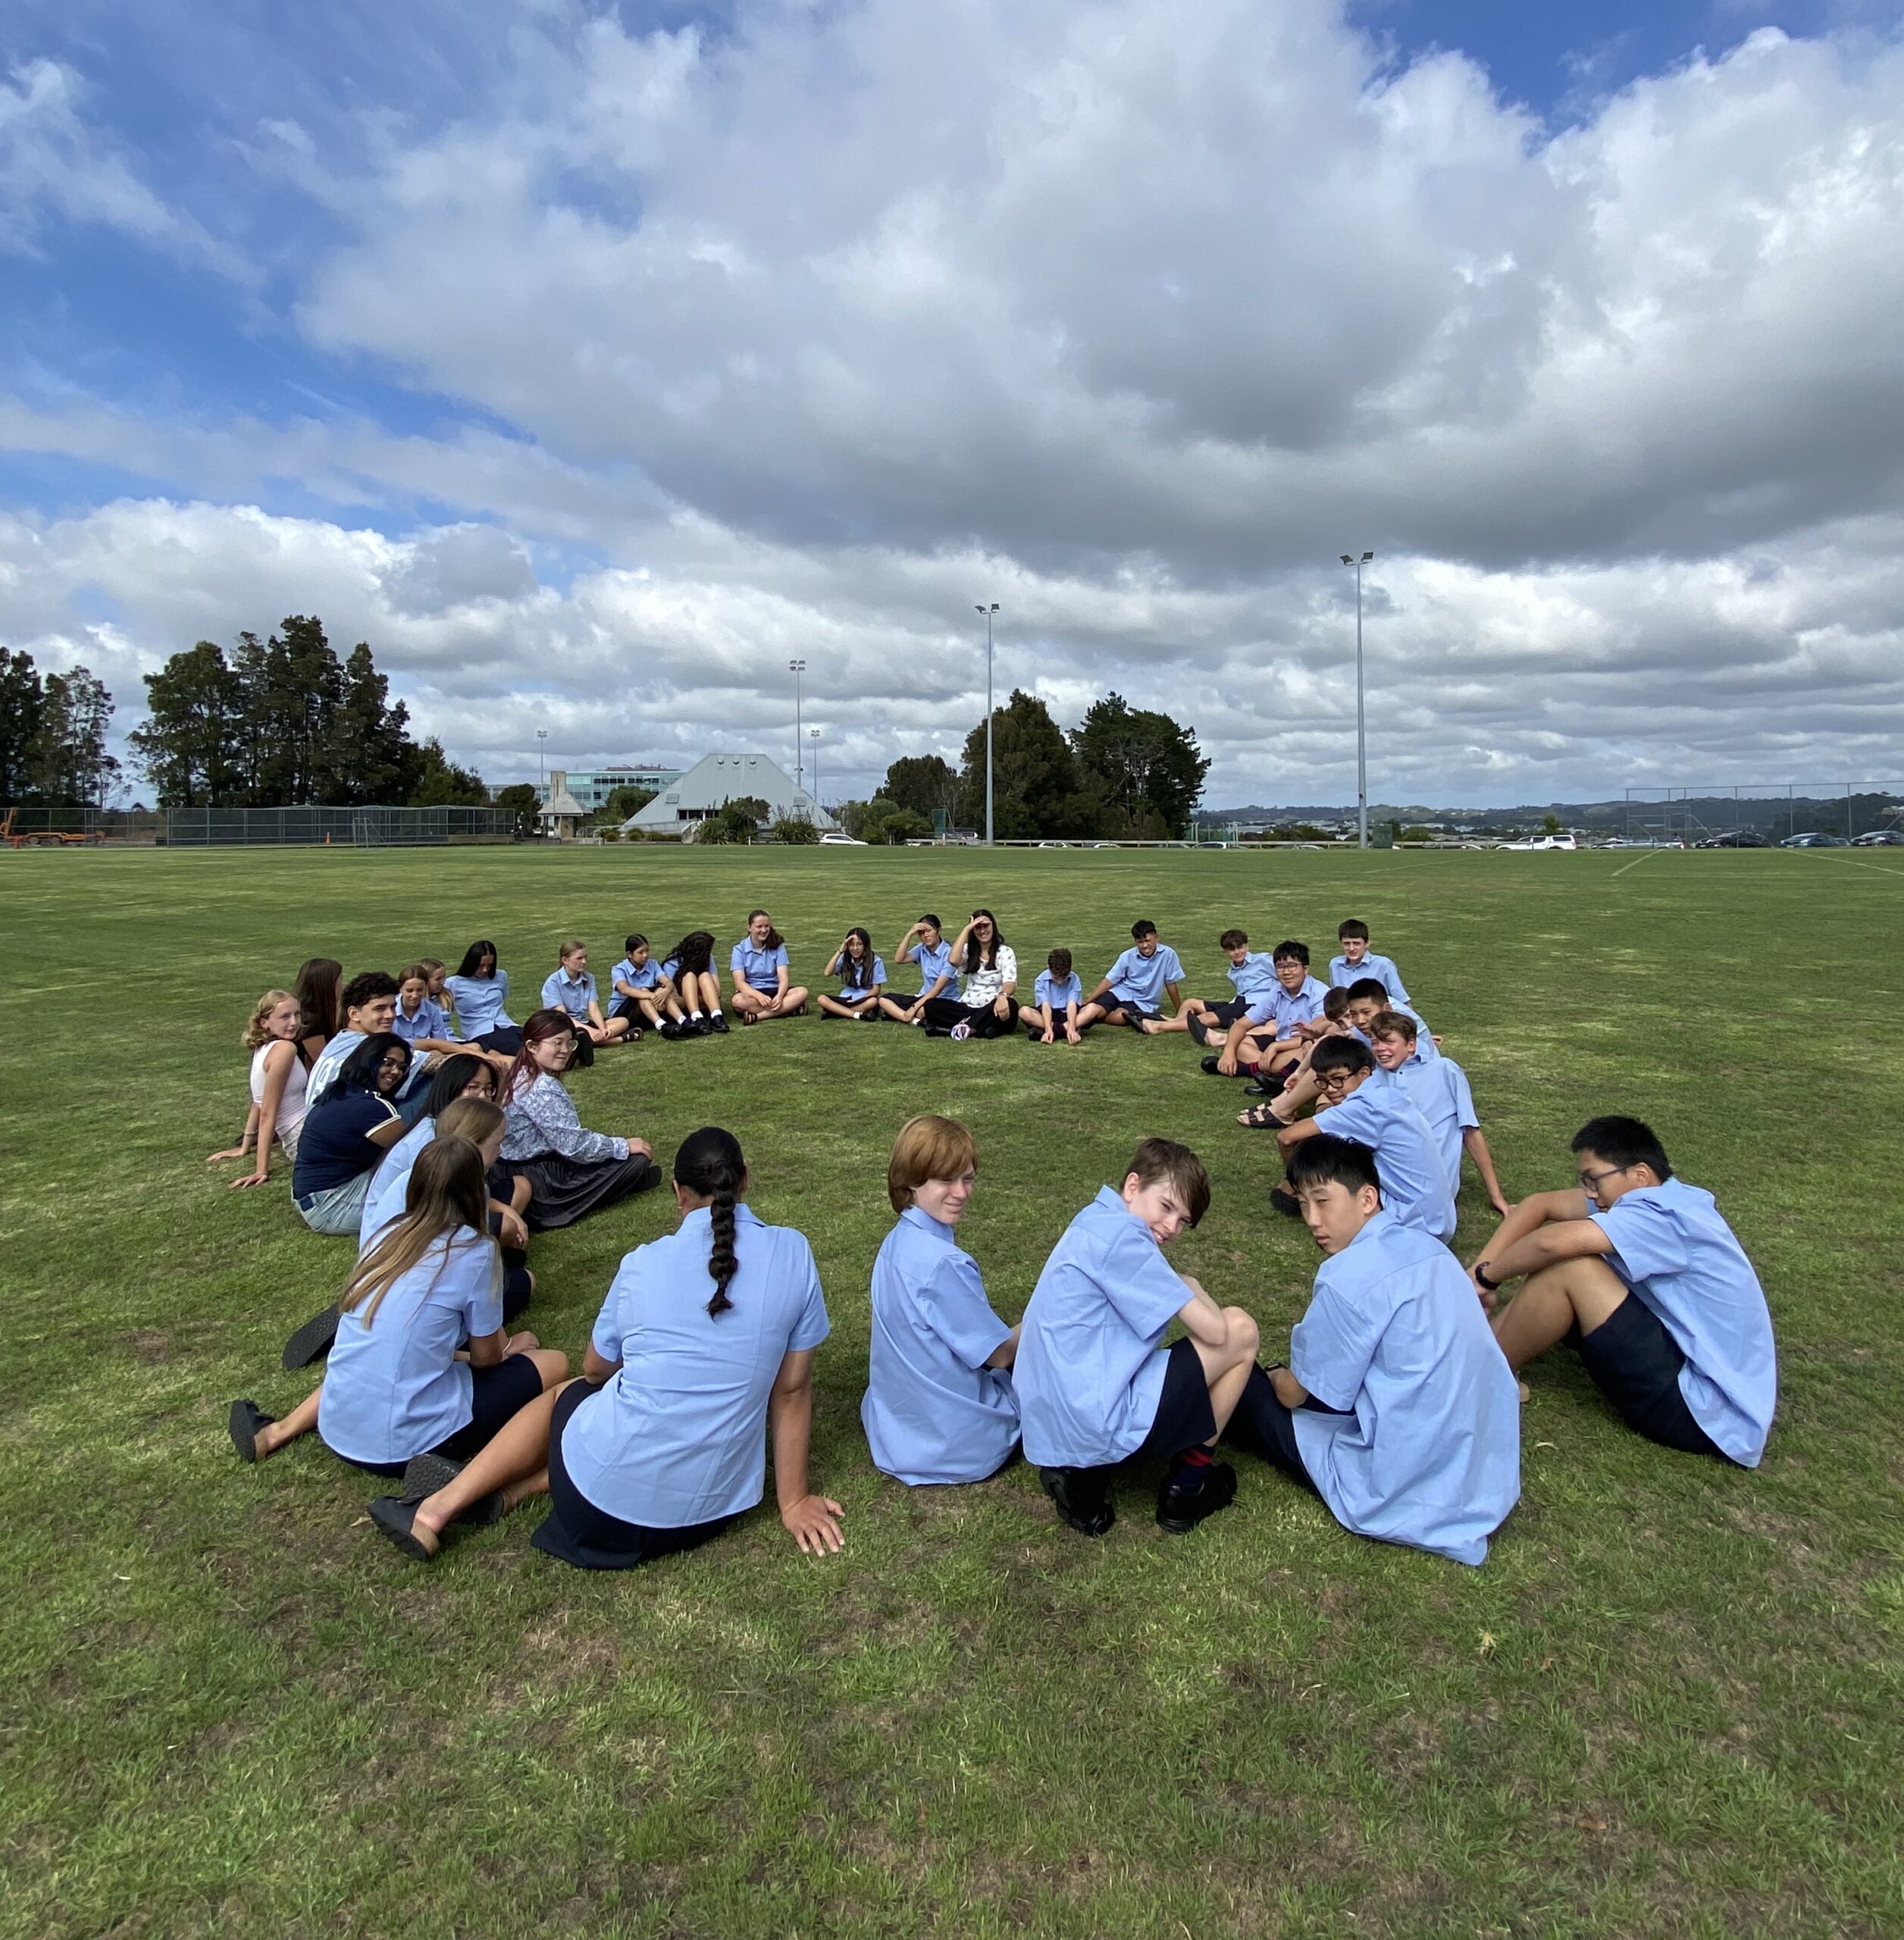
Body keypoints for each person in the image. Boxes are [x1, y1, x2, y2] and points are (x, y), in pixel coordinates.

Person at [365, 1128, 846, 1569]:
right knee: (609, 1415)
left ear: (677, 1195)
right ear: (746, 1180)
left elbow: (596, 1371)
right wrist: (793, 1501)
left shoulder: (641, 1264)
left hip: (597, 1506)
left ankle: (436, 1510)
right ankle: (511, 1494)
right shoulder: (794, 1251)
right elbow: (791, 1389)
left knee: (567, 1393)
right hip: (710, 1512)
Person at [1226, 1135, 1520, 1566]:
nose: (1311, 1218)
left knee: (1242, 1379)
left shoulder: (1347, 1277)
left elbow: (1296, 1394)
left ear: (1368, 1199)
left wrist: (1270, 1372)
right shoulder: (1432, 1250)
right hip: (1483, 1471)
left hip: (1403, 1475)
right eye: (1304, 1204)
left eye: (1323, 1202)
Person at [227, 1137, 568, 1478]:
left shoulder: (387, 1233)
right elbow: (487, 1359)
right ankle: (466, 1476)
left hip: (337, 1424)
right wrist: (509, 1350)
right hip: (402, 1443)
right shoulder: (476, 1251)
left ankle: (277, 1432)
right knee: (553, 1363)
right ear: (476, 1191)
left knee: (378, 1358)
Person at [1470, 1116, 1776, 1466]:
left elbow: (1551, 1244)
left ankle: (1477, 1374)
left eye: (1594, 1179)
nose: (1589, 1191)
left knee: (1573, 1266)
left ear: (1640, 1175)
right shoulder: (1667, 1198)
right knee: (1569, 1257)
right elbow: (1540, 1205)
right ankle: (1483, 1352)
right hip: (1691, 1372)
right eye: (1584, 1181)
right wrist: (1477, 1276)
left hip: (1705, 1414)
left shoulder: (1664, 1216)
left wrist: (1486, 1277)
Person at [1014, 1138, 1259, 1537]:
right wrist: (1191, 1283)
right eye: (1166, 1207)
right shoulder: (1126, 1240)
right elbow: (1215, 1331)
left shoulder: (1094, 1217)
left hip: (1048, 1416)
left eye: (1183, 1221)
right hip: (1088, 1416)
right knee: (1241, 1329)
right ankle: (1187, 1487)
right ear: (1133, 1186)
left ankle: (1083, 1475)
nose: (1171, 1227)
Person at [281, 1060, 534, 1372]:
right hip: (413, 1279)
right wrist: (503, 1343)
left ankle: (366, 1312)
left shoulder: (438, 1147)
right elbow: (488, 1355)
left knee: (514, 1205)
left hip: (385, 1267)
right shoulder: (449, 1187)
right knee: (519, 1283)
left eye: (488, 1089)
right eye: (497, 1144)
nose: (501, 1152)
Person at [863, 1116, 1020, 1485]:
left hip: (893, 1431)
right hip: (950, 1444)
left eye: (968, 1179)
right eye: (946, 1180)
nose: (962, 1193)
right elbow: (998, 1355)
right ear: (911, 1182)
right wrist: (1042, 1317)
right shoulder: (943, 1264)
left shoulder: (894, 1243)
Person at [1271, 1038, 1455, 1241]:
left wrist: (1297, 1183)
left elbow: (1286, 1138)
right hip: (1440, 1217)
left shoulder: (1363, 1108)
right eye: (1322, 1081)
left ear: (1364, 1073)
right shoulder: (1385, 1092)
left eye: (1338, 1079)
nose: (1331, 1088)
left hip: (1415, 1226)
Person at [500, 1009, 662, 1228]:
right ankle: (615, 1187)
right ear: (532, 1046)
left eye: (570, 1043)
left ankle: (623, 1182)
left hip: (515, 1169)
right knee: (636, 1160)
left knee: (620, 1160)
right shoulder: (540, 1086)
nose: (565, 1050)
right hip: (539, 1179)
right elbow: (574, 1146)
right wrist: (622, 1145)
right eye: (557, 1043)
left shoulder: (520, 1074)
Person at [1368, 1012, 1511, 1218]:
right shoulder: (1374, 1081)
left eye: (1389, 1041)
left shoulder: (1444, 1070)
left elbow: (1470, 1131)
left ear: (1411, 1045)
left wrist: (1497, 1196)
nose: (1380, 1048)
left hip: (1430, 1187)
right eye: (1375, 1043)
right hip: (1389, 1179)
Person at [290, 1034, 415, 1234]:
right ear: (369, 1060)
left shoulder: (341, 1092)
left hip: (309, 1196)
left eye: (402, 1067)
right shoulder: (368, 1106)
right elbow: (417, 1153)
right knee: (425, 1184)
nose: (396, 1072)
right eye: (388, 1063)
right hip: (332, 1205)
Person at [208, 990, 309, 1189]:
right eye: (285, 1017)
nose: (294, 1022)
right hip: (303, 1135)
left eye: (296, 1014)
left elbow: (258, 1103)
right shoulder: (284, 1050)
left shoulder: (262, 1050)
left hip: (303, 1132)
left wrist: (244, 1147)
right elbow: (267, 1112)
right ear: (265, 1022)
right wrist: (261, 1170)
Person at [1182, 929, 1282, 1068]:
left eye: (1240, 947)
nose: (1237, 952)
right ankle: (1164, 1020)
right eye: (1231, 949)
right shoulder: (1232, 972)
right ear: (1226, 952)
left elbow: (1283, 977)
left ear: (1247, 946)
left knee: (1206, 1018)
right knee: (1190, 1003)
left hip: (1257, 1002)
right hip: (1242, 1001)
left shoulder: (1263, 960)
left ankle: (1158, 1026)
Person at [919, 909, 1019, 1040]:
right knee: (931, 1005)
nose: (982, 931)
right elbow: (953, 960)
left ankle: (959, 1029)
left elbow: (1010, 984)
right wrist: (966, 930)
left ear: (993, 926)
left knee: (1011, 1006)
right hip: (968, 1006)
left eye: (986, 926)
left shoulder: (1005, 952)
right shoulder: (969, 950)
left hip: (992, 1007)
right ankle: (979, 1029)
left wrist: (1002, 996)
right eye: (978, 927)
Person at [1076, 920, 1185, 1034]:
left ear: (1156, 937)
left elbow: (1171, 984)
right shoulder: (1127, 956)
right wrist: (1089, 1000)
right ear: (1135, 941)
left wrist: (1179, 1010)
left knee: (1120, 1017)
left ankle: (1092, 1018)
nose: (1145, 945)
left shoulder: (1168, 954)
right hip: (1119, 992)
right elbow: (1110, 980)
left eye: (1148, 940)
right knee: (1093, 1008)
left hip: (1143, 1001)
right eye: (1140, 942)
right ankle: (1066, 1028)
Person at [306, 971, 401, 1100]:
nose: (390, 1015)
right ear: (354, 1014)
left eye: (393, 1007)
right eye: (380, 1009)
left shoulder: (339, 1042)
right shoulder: (371, 1049)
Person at [541, 939, 631, 1065]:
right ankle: (616, 1039)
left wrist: (602, 1029)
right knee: (579, 1034)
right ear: (565, 960)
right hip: (563, 1025)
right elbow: (563, 1017)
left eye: (585, 957)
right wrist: (591, 1031)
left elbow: (593, 1008)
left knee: (623, 1021)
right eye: (579, 958)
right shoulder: (553, 982)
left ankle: (593, 1041)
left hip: (583, 1022)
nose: (584, 962)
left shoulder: (589, 978)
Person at [729, 909, 810, 1023]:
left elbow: (784, 978)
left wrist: (780, 996)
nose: (764, 930)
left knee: (802, 992)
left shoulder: (778, 946)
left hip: (775, 990)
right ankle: (788, 1010)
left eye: (767, 926)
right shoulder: (739, 950)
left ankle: (759, 1016)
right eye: (759, 926)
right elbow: (740, 983)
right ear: (749, 928)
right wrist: (760, 996)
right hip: (752, 993)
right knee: (737, 1001)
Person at [444, 940, 523, 1054]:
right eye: (481, 966)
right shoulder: (453, 983)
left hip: (507, 1025)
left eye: (490, 965)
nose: (485, 970)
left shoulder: (500, 976)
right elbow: (441, 1011)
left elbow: (503, 997)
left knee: (537, 1041)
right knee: (517, 1049)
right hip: (479, 1032)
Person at [879, 915, 957, 1024]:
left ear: (938, 930)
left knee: (923, 1010)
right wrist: (910, 934)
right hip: (922, 997)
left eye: (929, 931)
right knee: (883, 1000)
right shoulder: (922, 948)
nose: (925, 935)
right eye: (921, 933)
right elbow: (899, 959)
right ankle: (914, 1021)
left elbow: (937, 989)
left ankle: (898, 1015)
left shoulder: (949, 953)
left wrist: (913, 1008)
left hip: (942, 999)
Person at [609, 934, 687, 1038]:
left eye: (647, 951)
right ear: (630, 954)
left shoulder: (653, 964)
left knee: (661, 991)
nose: (645, 955)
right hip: (623, 1014)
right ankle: (661, 1027)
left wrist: (665, 991)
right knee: (644, 994)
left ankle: (684, 1021)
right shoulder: (619, 969)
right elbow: (625, 989)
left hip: (647, 1010)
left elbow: (668, 982)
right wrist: (651, 995)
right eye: (640, 952)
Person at [660, 931, 726, 1033]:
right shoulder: (672, 963)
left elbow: (717, 993)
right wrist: (706, 999)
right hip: (685, 1011)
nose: (709, 953)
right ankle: (696, 1018)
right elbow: (677, 1001)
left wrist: (693, 999)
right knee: (689, 975)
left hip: (705, 1008)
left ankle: (717, 1016)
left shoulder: (708, 958)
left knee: (705, 975)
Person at [1329, 920, 1411, 1002]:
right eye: (1347, 943)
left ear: (1367, 943)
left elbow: (1402, 1001)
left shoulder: (1384, 965)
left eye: (1356, 943)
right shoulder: (1335, 965)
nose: (1351, 948)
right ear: (1341, 944)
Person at [818, 928, 886, 1019]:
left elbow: (876, 990)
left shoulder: (875, 961)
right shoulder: (844, 957)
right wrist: (840, 951)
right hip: (846, 996)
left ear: (865, 945)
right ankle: (857, 1015)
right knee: (821, 999)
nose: (855, 948)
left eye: (859, 944)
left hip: (864, 998)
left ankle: (835, 1013)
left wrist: (859, 1000)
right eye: (851, 945)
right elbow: (827, 973)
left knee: (873, 1001)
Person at [1024, 948, 1085, 1045]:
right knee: (1024, 1012)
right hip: (1049, 1014)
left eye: (1064, 978)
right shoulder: (1040, 980)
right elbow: (1045, 1006)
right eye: (1056, 978)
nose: (1060, 982)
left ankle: (1056, 1031)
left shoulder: (1074, 979)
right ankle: (1060, 1030)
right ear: (1048, 967)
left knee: (1093, 1009)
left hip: (1069, 1014)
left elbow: (1072, 1005)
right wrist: (1048, 1029)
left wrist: (1071, 1028)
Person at [293, 956, 343, 1067]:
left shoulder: (316, 1012)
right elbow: (323, 1060)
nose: (342, 986)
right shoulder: (310, 1020)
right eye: (340, 980)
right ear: (327, 985)